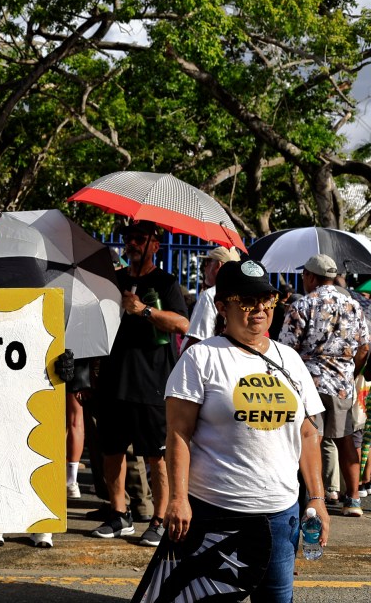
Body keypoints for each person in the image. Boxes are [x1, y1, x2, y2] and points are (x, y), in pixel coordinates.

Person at [165, 260, 327, 603]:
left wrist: (316, 499)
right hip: (214, 513)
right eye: (247, 301)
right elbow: (178, 432)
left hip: (280, 517)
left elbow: (309, 433)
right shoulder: (200, 358)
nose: (259, 309)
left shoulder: (290, 360)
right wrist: (178, 498)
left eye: (266, 300)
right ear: (222, 307)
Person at [90, 221, 188, 546]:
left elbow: (181, 323)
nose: (132, 243)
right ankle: (120, 514)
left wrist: (143, 310)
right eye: (129, 238)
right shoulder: (116, 281)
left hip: (153, 382)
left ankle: (159, 519)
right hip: (115, 381)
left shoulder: (166, 282)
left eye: (140, 239)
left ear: (155, 245)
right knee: (112, 451)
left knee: (156, 456)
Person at [277, 253, 371, 517]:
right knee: (345, 440)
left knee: (311, 440)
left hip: (309, 382)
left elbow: (285, 349)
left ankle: (310, 496)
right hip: (343, 383)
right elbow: (364, 346)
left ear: (310, 276)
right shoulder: (354, 306)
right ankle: (353, 499)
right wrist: (351, 374)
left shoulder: (303, 305)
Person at [183, 246, 241, 350]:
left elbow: (197, 339)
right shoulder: (244, 292)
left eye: (208, 262)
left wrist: (181, 361)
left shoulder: (210, 295)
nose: (205, 268)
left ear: (218, 265)